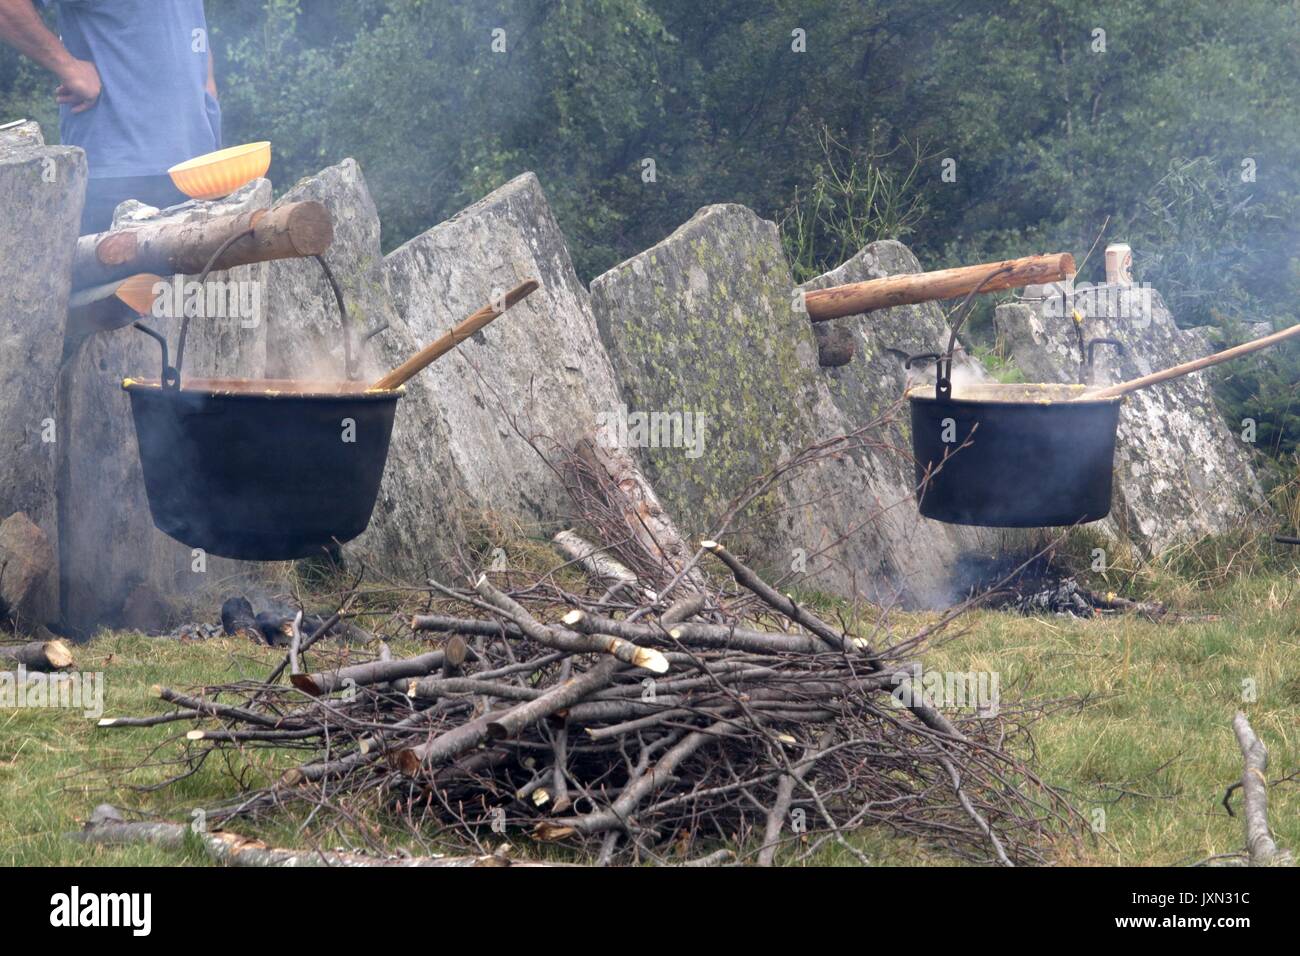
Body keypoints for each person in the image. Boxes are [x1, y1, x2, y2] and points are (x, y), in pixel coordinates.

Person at [0, 0, 222, 234]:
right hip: (118, 177)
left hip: (200, 172)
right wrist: (70, 68)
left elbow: (188, 30)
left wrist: (208, 100)